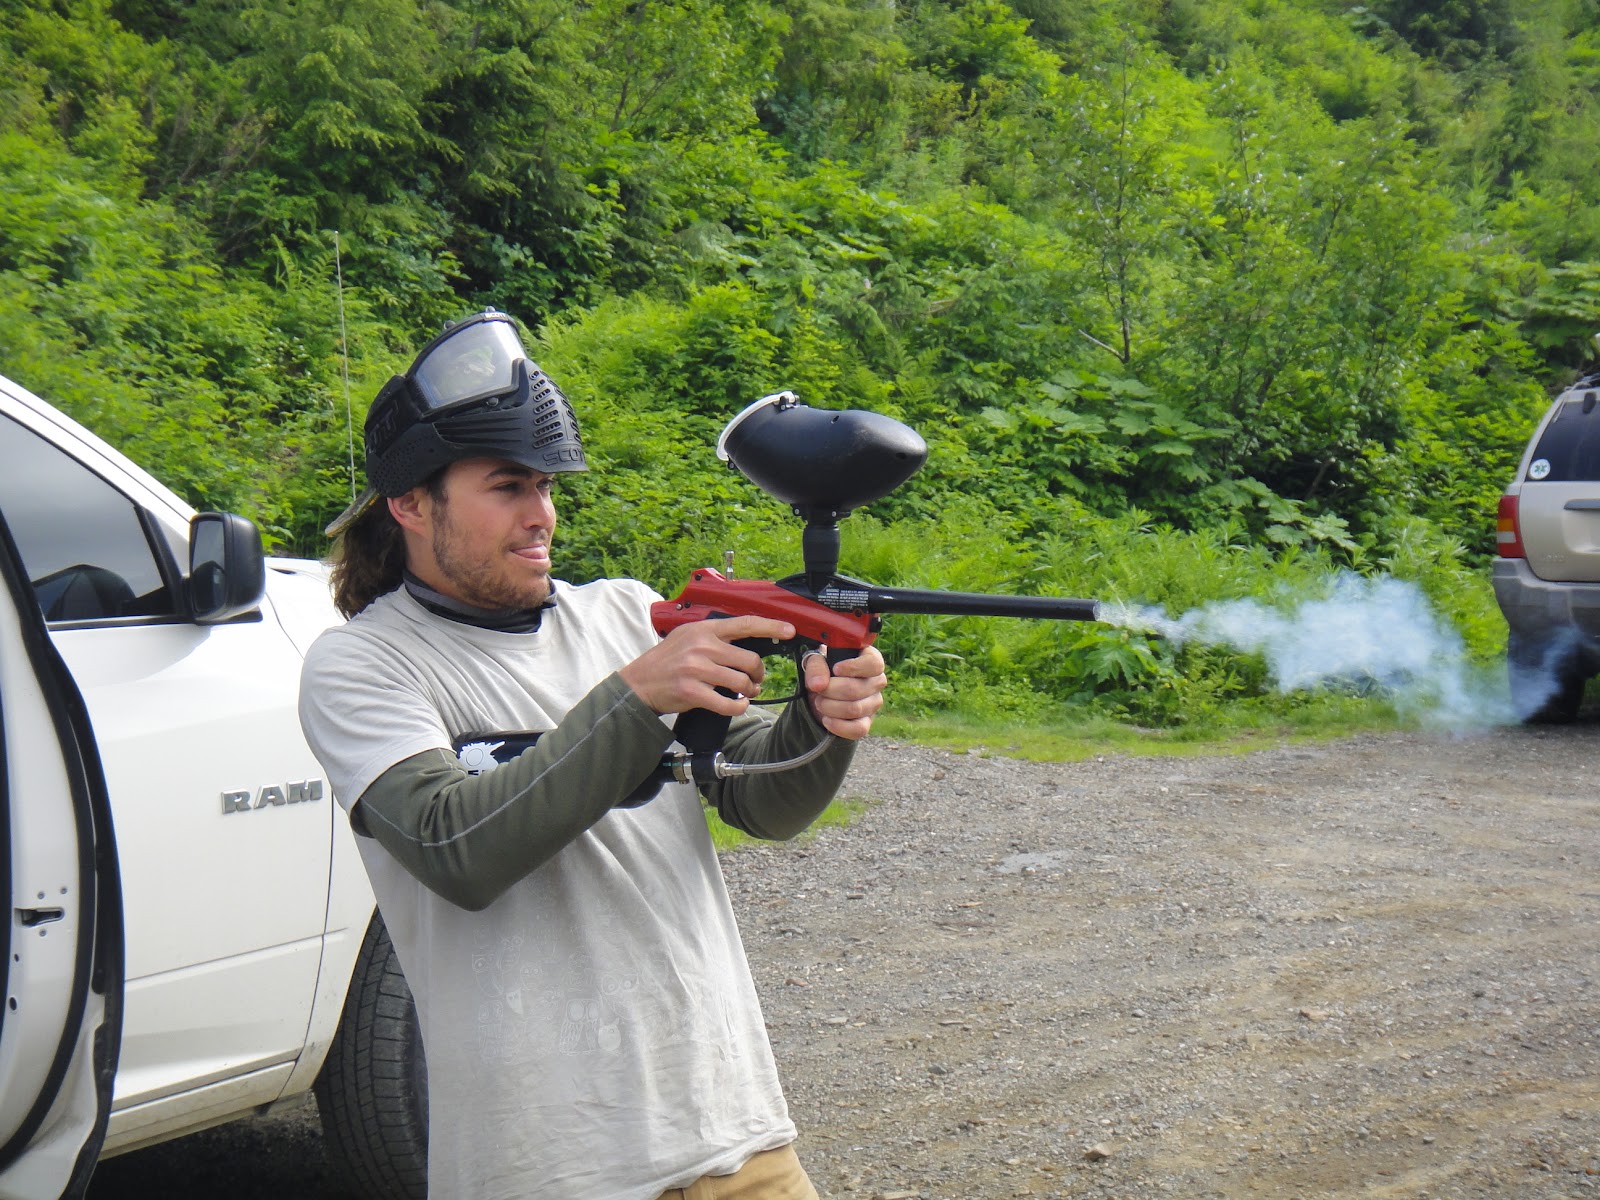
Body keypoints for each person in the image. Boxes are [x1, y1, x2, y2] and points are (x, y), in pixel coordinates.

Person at [297, 310, 887, 1200]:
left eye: (545, 486)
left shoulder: (621, 614)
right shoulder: (363, 665)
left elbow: (763, 802)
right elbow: (455, 848)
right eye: (507, 487)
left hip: (737, 1138)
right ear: (410, 504)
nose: (541, 515)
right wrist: (637, 697)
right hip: (549, 1169)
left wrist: (822, 720)